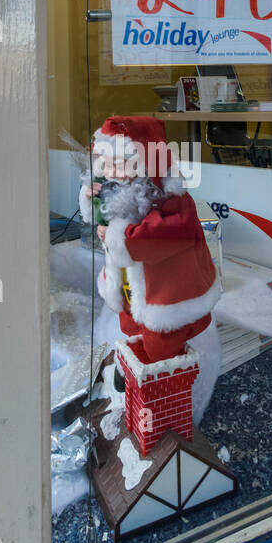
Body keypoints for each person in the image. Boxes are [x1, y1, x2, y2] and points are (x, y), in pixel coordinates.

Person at [79, 116, 220, 365]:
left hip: (164, 291)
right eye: (106, 165)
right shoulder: (116, 186)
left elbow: (166, 235)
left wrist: (117, 236)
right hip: (129, 283)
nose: (112, 173)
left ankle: (160, 380)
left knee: (161, 341)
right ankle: (136, 365)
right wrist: (93, 200)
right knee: (132, 326)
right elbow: (106, 216)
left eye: (120, 165)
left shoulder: (171, 199)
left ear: (147, 163)